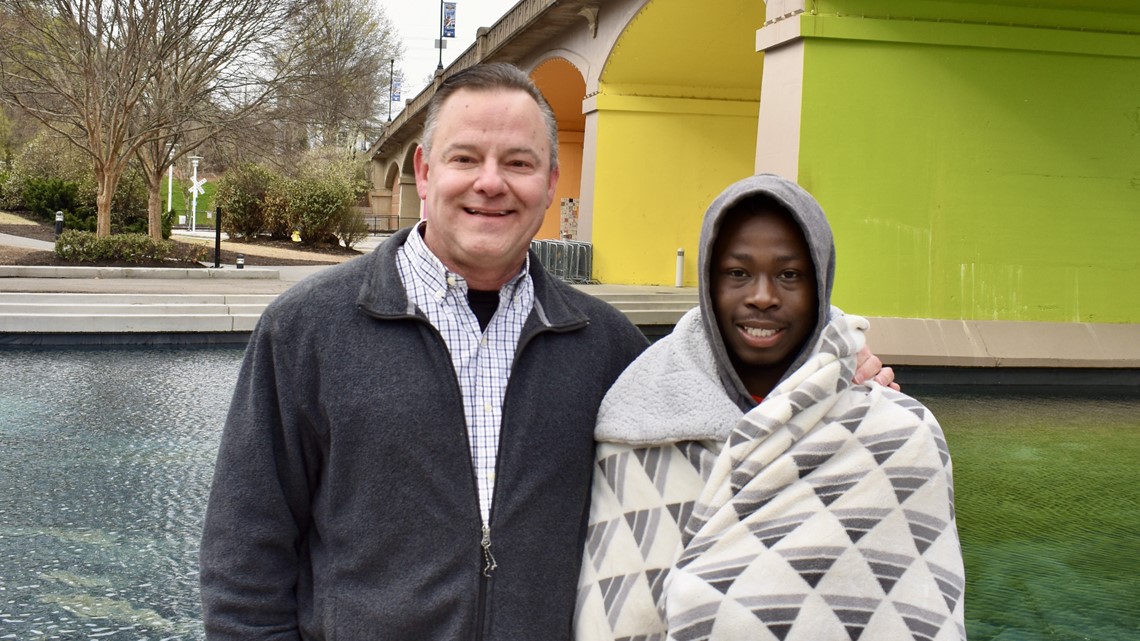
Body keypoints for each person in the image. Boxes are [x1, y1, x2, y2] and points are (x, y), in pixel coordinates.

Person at [199, 63, 895, 640]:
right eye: (466, 158)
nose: (491, 182)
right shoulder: (307, 332)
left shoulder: (611, 348)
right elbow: (244, 567)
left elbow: (736, 424)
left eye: (519, 163)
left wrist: (838, 378)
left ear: (552, 182)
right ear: (424, 168)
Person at [575, 174, 964, 641]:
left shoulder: (897, 438)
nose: (762, 296)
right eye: (738, 273)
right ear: (708, 283)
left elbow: (911, 610)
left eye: (789, 275)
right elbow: (613, 609)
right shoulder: (634, 426)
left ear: (820, 285)